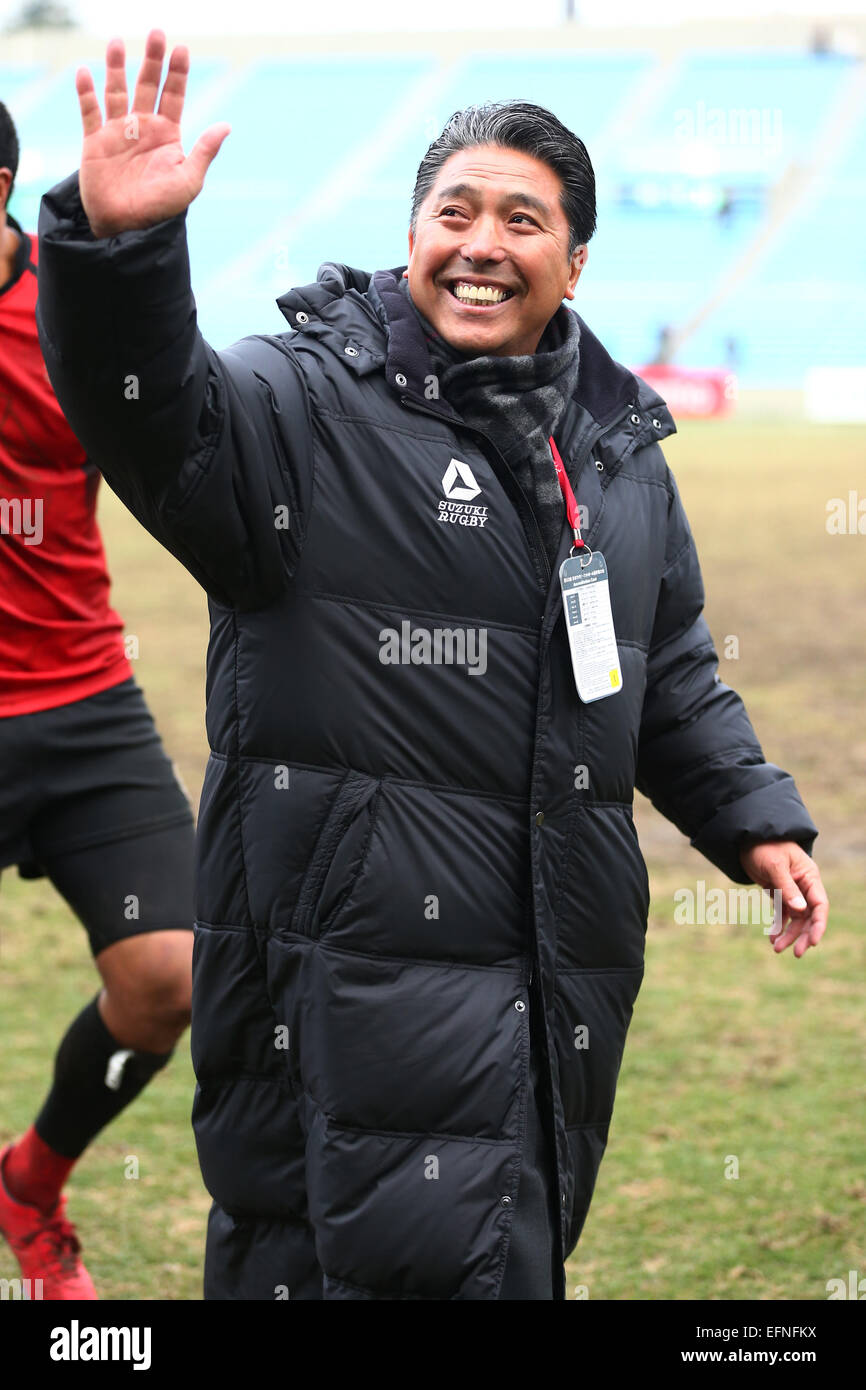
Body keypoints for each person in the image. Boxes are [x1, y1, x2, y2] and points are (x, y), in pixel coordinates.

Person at [35, 31, 828, 1301]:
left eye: (521, 219)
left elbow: (660, 658)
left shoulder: (614, 450)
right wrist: (121, 255)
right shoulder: (301, 402)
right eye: (452, 210)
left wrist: (749, 816)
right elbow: (154, 417)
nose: (479, 243)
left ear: (573, 262)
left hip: (545, 979)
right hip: (340, 992)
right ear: (410, 235)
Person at [0, 98, 196, 1300]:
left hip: (79, 701)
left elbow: (181, 424)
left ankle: (30, 1182)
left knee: (170, 977)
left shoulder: (62, 311)